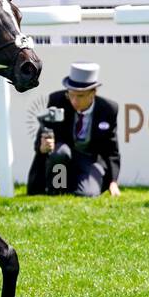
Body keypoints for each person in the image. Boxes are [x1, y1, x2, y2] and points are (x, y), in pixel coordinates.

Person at [26, 62, 121, 197]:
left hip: (90, 160)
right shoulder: (57, 100)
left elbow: (112, 150)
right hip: (62, 157)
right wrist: (42, 147)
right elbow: (41, 137)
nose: (74, 101)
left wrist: (113, 181)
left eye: (80, 96)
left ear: (93, 93)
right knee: (60, 152)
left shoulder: (108, 109)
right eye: (71, 95)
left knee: (88, 194)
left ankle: (74, 185)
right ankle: (57, 190)